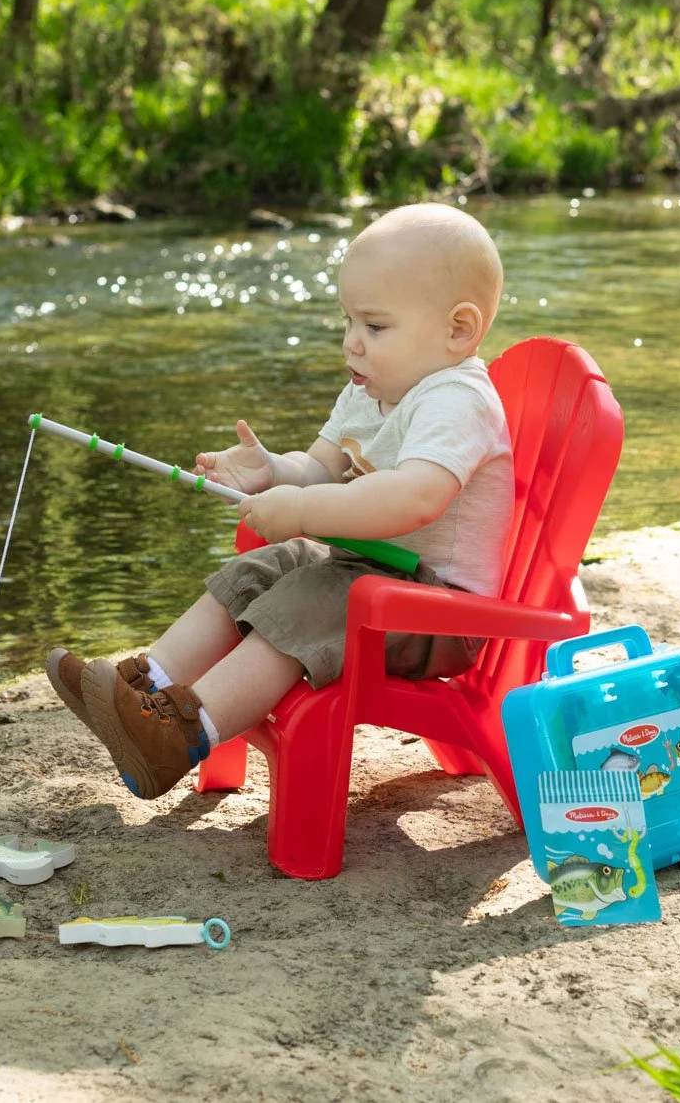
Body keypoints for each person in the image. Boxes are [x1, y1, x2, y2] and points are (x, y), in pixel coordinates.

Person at [46, 202, 515, 799]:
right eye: (347, 321)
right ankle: (145, 688)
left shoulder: (456, 399)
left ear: (458, 330)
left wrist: (301, 510)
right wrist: (273, 472)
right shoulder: (369, 392)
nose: (351, 343)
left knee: (307, 600)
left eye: (375, 327)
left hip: (439, 611)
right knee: (259, 569)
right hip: (373, 575)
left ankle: (179, 737)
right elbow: (317, 468)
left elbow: (416, 497)